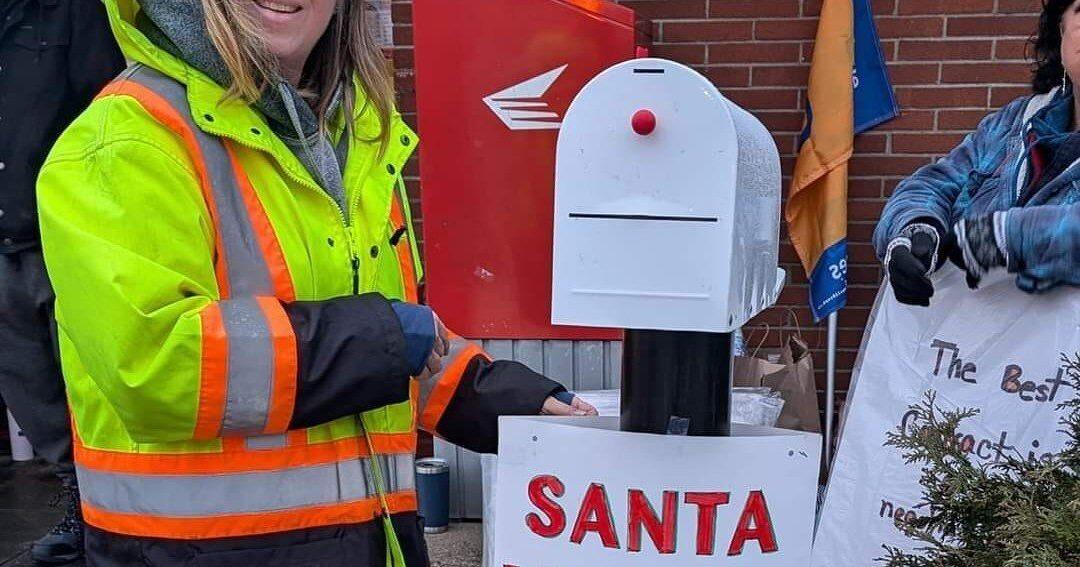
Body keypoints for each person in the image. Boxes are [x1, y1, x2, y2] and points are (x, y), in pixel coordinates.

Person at [36, 1, 596, 566]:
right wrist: (387, 338)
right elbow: (156, 363)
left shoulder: (350, 136)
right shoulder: (126, 143)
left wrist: (509, 404)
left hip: (368, 541)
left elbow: (397, 346)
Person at [0, 0, 125, 563]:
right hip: (2, 245)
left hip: (61, 238)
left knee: (90, 389)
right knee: (31, 390)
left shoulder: (74, 13)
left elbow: (106, 112)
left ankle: (102, 517)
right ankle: (82, 505)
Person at [876, 0, 1080, 304]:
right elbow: (932, 184)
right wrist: (916, 229)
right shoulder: (1013, 122)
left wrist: (1002, 238)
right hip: (974, 346)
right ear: (1060, 28)